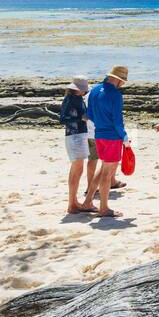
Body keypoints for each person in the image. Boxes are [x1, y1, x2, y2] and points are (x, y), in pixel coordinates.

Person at [84, 65, 129, 216]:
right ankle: (104, 208)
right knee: (107, 173)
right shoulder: (115, 95)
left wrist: (101, 122)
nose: (123, 83)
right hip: (112, 137)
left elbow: (89, 114)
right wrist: (124, 136)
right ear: (117, 79)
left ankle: (88, 201)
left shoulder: (94, 90)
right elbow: (117, 120)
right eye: (122, 81)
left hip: (99, 135)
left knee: (103, 168)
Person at [60, 75, 94, 213]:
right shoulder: (70, 99)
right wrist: (81, 117)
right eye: (83, 89)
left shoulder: (78, 98)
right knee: (77, 169)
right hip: (74, 136)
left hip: (79, 134)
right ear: (77, 89)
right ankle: (71, 204)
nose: (85, 92)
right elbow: (63, 118)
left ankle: (73, 202)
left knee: (77, 169)